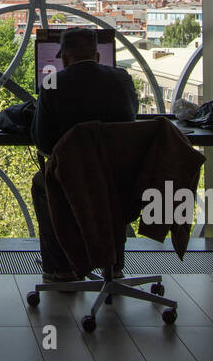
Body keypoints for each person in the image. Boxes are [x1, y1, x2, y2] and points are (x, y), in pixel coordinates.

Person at [30, 27, 140, 282]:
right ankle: (113, 266)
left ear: (64, 59)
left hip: (73, 178)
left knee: (43, 183)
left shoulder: (52, 83)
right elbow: (131, 120)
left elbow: (44, 142)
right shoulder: (122, 78)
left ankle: (62, 267)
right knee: (112, 195)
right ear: (98, 56)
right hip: (121, 177)